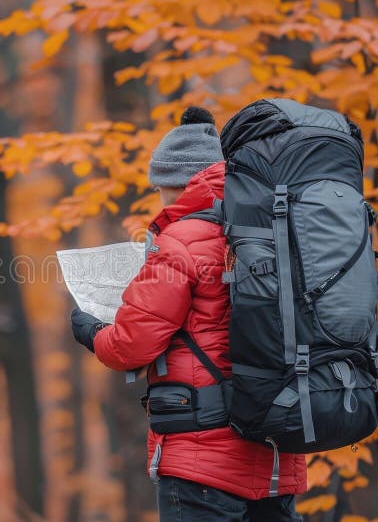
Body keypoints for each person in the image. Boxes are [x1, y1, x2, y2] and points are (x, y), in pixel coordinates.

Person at [69, 107, 307, 521]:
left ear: (174, 183)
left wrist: (90, 332)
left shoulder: (179, 241)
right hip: (276, 454)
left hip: (201, 459)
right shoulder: (274, 229)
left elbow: (130, 346)